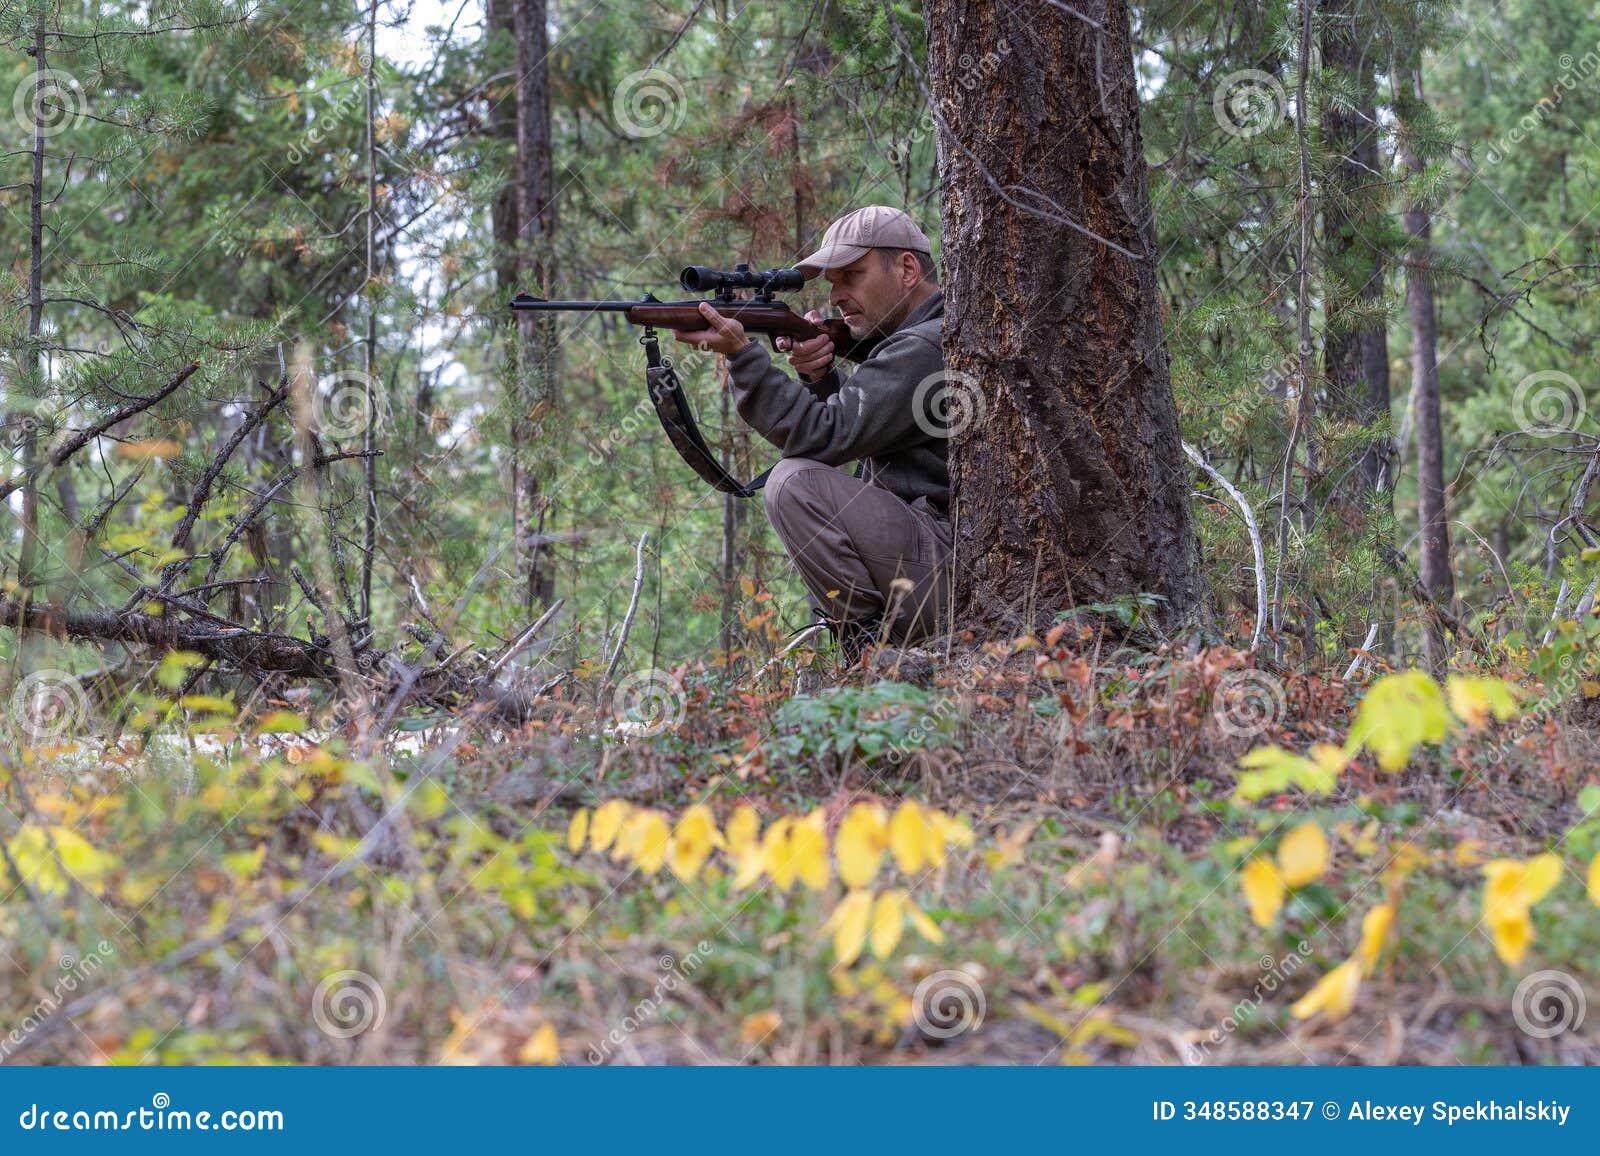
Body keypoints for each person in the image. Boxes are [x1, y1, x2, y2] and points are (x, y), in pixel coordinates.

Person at [671, 205, 952, 661]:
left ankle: (869, 655)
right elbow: (862, 433)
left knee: (790, 483)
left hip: (951, 572)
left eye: (852, 276)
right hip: (939, 565)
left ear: (906, 269)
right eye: (832, 282)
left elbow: (826, 436)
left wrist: (745, 357)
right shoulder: (931, 337)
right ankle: (877, 654)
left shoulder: (925, 344)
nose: (837, 295)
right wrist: (820, 377)